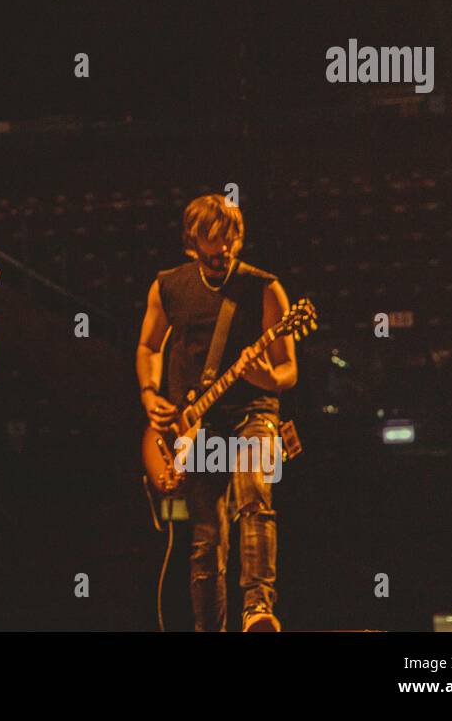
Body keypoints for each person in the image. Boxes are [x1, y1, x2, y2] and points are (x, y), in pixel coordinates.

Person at [135, 194, 296, 631]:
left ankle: (258, 609)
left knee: (255, 495)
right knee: (207, 541)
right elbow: (149, 345)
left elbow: (288, 370)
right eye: (210, 249)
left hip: (252, 412)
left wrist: (268, 377)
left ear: (237, 241)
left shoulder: (264, 287)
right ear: (193, 244)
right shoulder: (168, 286)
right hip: (195, 426)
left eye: (227, 245)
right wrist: (151, 395)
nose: (219, 256)